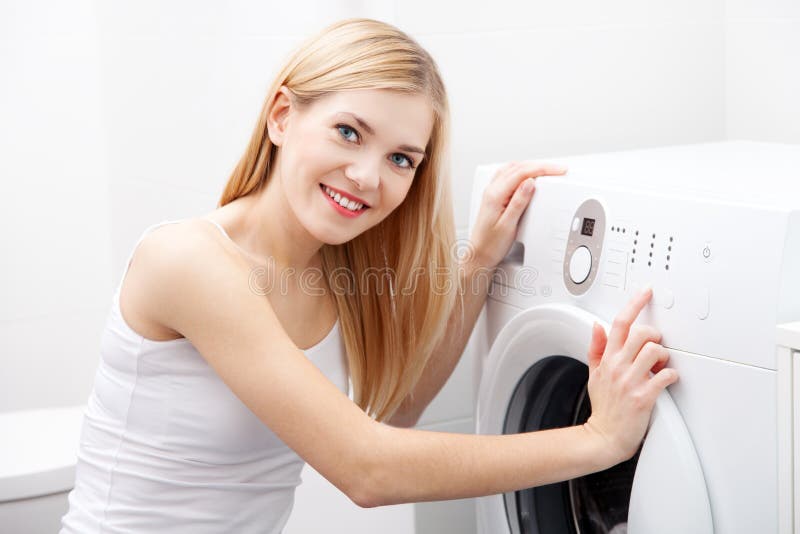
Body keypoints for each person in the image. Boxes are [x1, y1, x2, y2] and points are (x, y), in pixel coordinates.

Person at [60, 17, 678, 533]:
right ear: (281, 116)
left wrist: (478, 265)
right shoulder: (188, 260)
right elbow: (368, 469)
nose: (366, 176)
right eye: (348, 132)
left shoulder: (335, 274)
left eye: (400, 158)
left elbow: (392, 416)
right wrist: (600, 440)